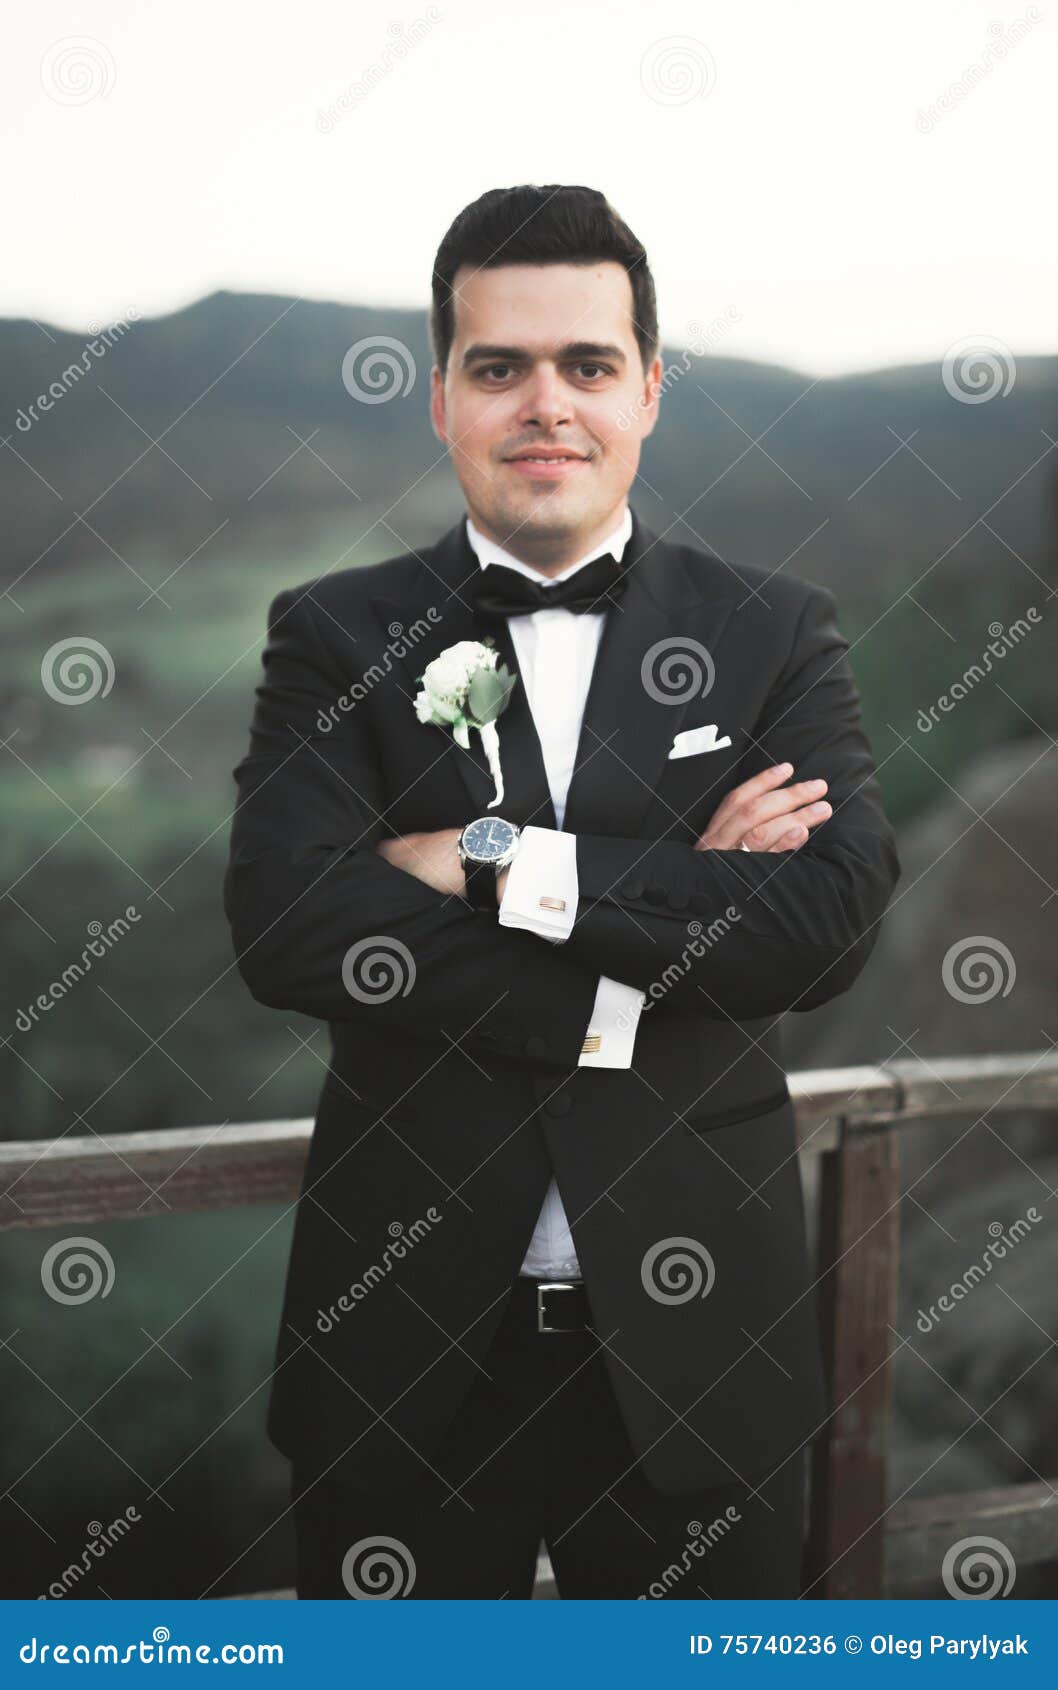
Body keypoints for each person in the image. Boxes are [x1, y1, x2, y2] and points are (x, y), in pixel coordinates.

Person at [223, 183, 900, 1599]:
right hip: (403, 1342)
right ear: (441, 400)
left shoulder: (771, 630)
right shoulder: (333, 631)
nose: (546, 402)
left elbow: (823, 916)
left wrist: (486, 866)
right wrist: (670, 930)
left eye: (586, 364)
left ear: (646, 390)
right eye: (499, 366)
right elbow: (293, 928)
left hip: (699, 1336)